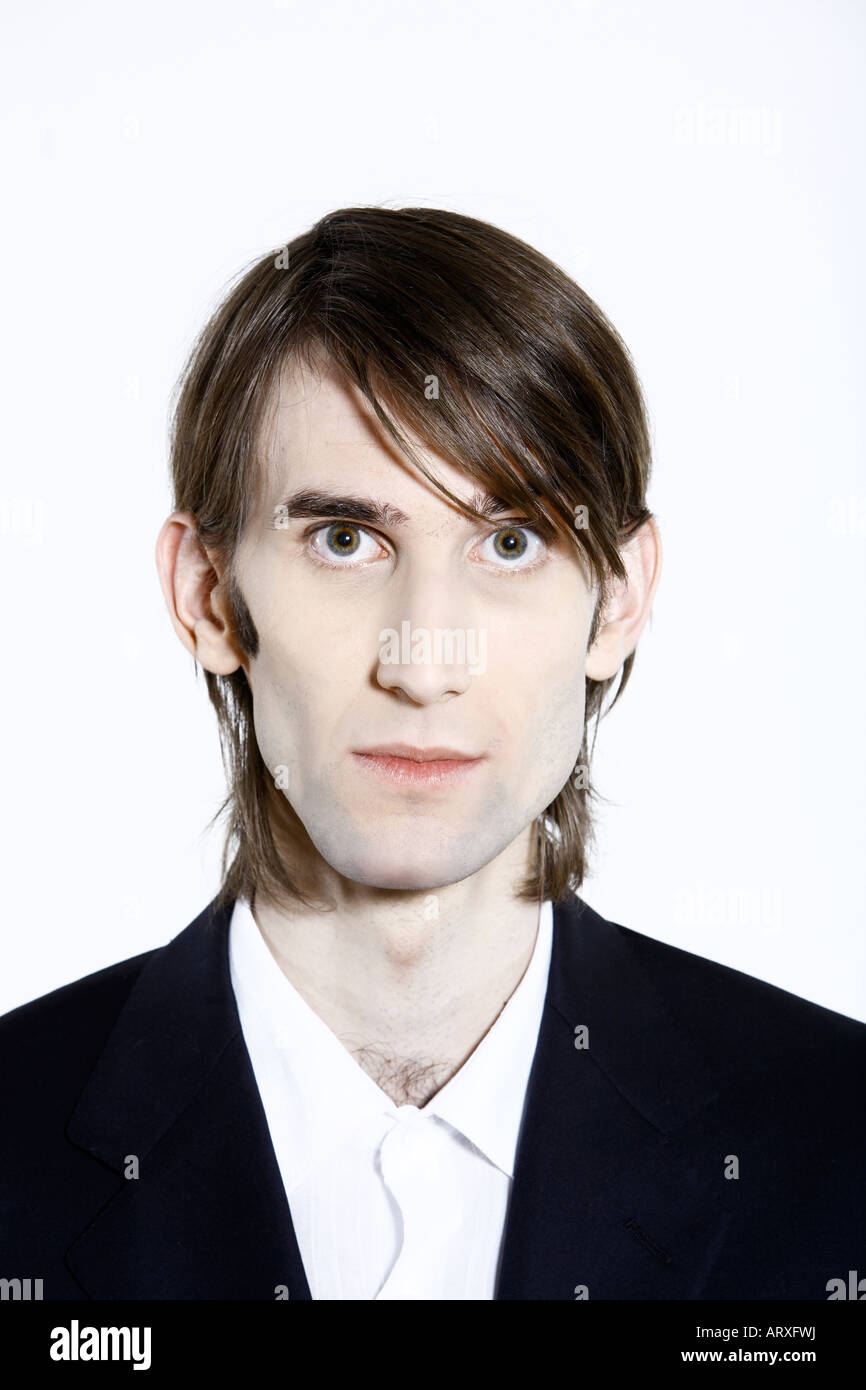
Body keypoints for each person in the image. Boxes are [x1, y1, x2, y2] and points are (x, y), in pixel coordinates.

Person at [1, 207, 863, 1301]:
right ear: (209, 596)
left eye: (508, 542)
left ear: (617, 601)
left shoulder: (839, 1147)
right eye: (345, 540)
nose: (422, 660)